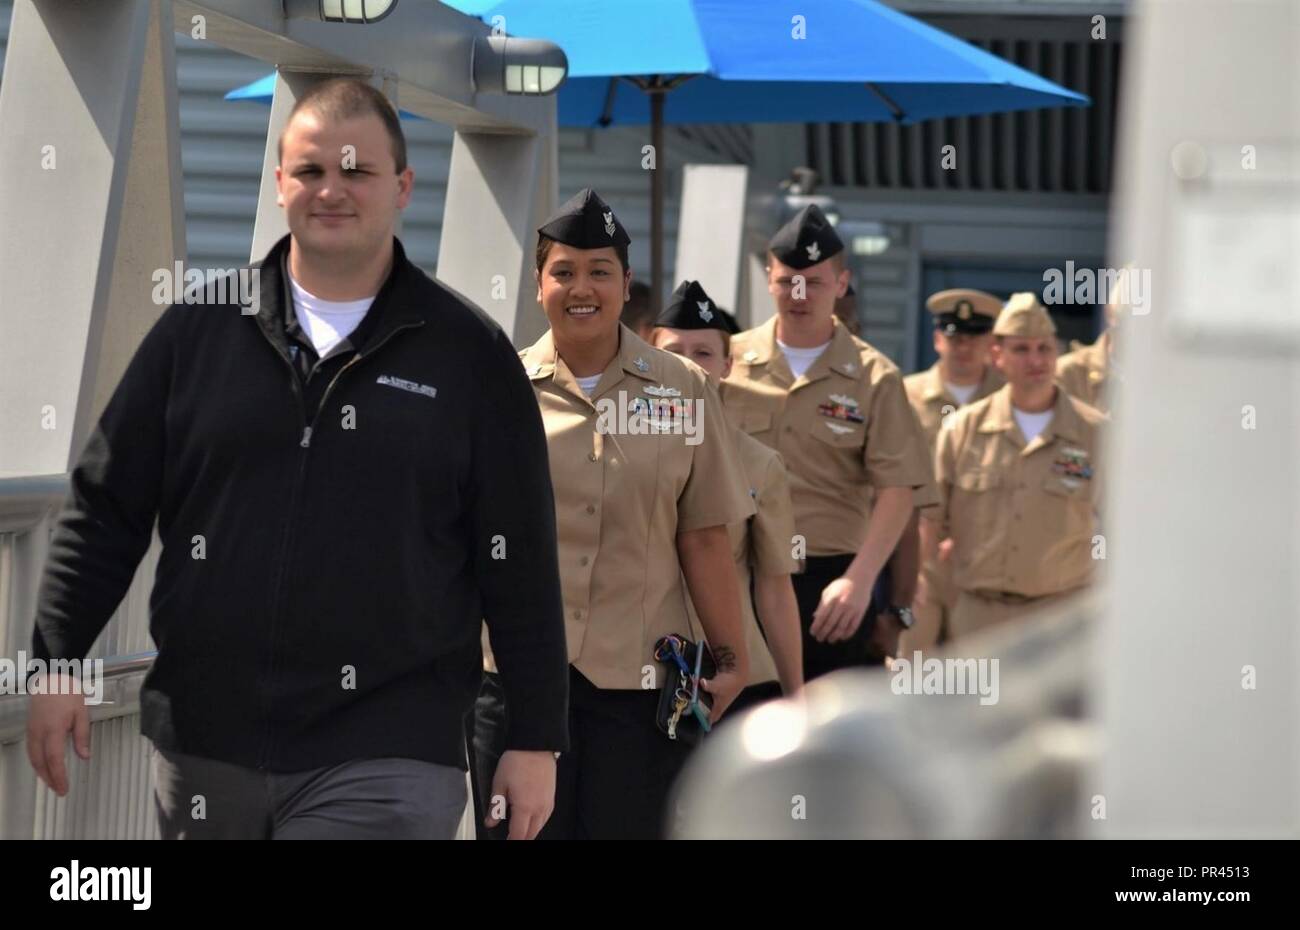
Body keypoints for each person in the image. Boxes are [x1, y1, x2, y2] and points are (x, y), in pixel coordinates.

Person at [26, 78, 568, 840]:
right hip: (205, 746)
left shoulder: (468, 356)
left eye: (357, 171)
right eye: (311, 171)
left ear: (403, 186)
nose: (331, 190)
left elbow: (519, 557)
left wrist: (533, 733)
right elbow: (104, 508)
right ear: (279, 183)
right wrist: (54, 661)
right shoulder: (196, 333)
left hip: (389, 748)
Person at [471, 189, 753, 840]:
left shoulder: (682, 387)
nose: (582, 288)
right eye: (563, 271)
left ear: (627, 285)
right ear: (538, 284)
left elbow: (704, 534)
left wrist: (731, 657)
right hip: (517, 678)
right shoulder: (499, 386)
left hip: (643, 684)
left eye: (600, 271)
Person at [721, 205, 933, 682]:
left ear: (841, 284)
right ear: (769, 279)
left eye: (814, 282)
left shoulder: (875, 377)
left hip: (830, 581)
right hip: (740, 569)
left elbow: (898, 491)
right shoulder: (729, 363)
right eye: (786, 281)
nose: (798, 294)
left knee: (822, 722)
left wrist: (859, 581)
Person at [651, 279, 804, 712]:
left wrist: (796, 697)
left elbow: (774, 589)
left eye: (703, 353)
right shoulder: (613, 449)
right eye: (674, 352)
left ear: (727, 365)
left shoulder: (760, 464)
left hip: (736, 679)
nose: (690, 365)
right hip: (635, 672)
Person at [936, 293, 1106, 639]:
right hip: (977, 618)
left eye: (1044, 348)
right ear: (996, 355)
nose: (1035, 360)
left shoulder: (1095, 434)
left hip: (1061, 616)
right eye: (1022, 349)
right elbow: (931, 526)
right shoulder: (963, 429)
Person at [900, 288, 1004, 653]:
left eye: (974, 337)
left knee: (982, 681)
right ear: (937, 339)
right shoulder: (904, 395)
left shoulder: (1009, 400)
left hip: (986, 563)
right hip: (916, 558)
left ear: (991, 342)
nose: (964, 347)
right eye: (955, 337)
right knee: (909, 673)